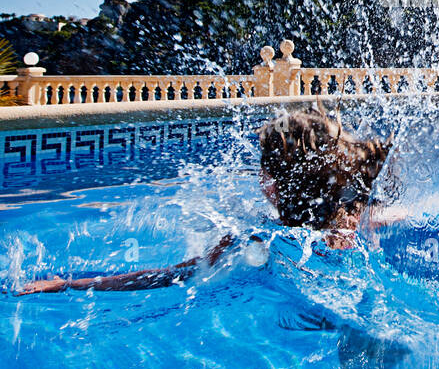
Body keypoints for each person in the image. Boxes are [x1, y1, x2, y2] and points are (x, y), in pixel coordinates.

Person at [16, 105, 394, 295]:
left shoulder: (256, 236)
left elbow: (171, 275)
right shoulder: (353, 217)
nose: (258, 177)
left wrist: (71, 284)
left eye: (264, 168)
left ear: (276, 182)